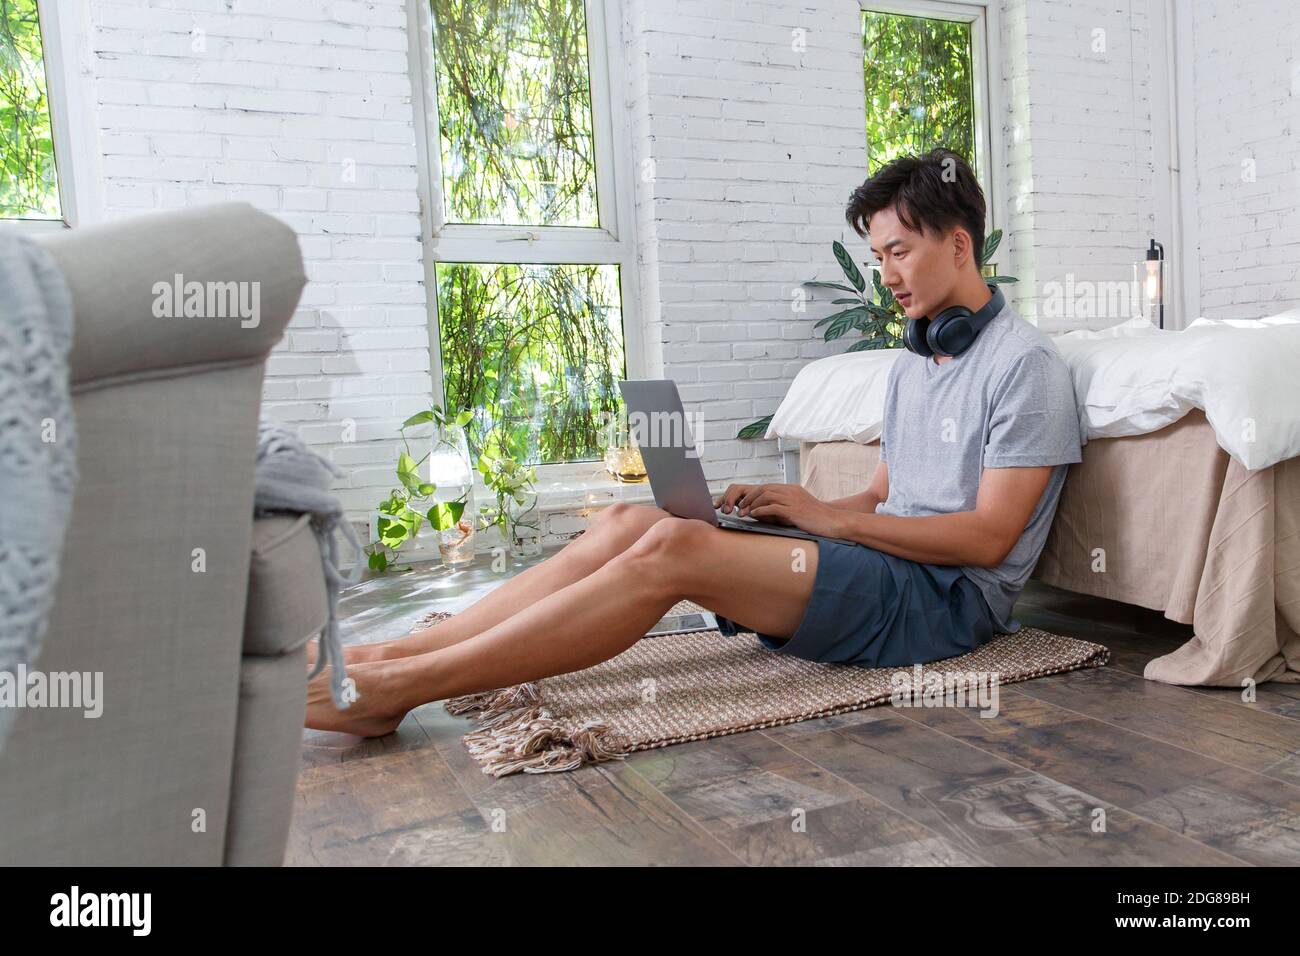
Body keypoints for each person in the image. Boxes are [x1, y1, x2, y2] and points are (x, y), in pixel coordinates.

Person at [305, 147, 1083, 737]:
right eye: (876, 255)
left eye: (898, 252)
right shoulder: (914, 360)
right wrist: (789, 511)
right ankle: (401, 653)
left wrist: (832, 521)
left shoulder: (1026, 367)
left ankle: (401, 691)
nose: (884, 275)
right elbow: (882, 495)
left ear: (959, 244)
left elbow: (986, 539)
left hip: (943, 603)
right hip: (883, 566)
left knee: (676, 555)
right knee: (630, 523)